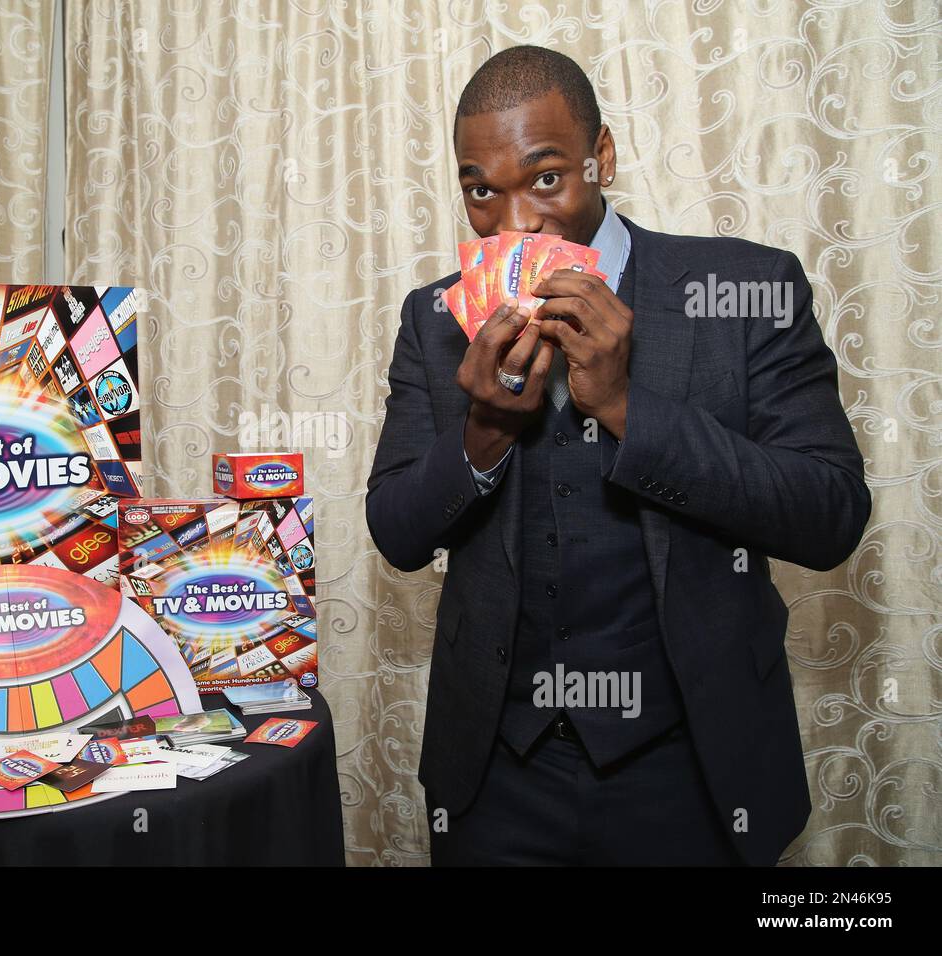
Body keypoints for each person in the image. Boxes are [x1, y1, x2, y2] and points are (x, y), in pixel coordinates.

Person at [365, 45, 871, 865]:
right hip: (496, 775)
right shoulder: (434, 320)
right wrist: (485, 428)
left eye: (547, 178)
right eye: (482, 191)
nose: (517, 223)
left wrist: (627, 407)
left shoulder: (746, 290)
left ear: (601, 159)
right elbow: (394, 530)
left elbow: (830, 515)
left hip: (692, 772)